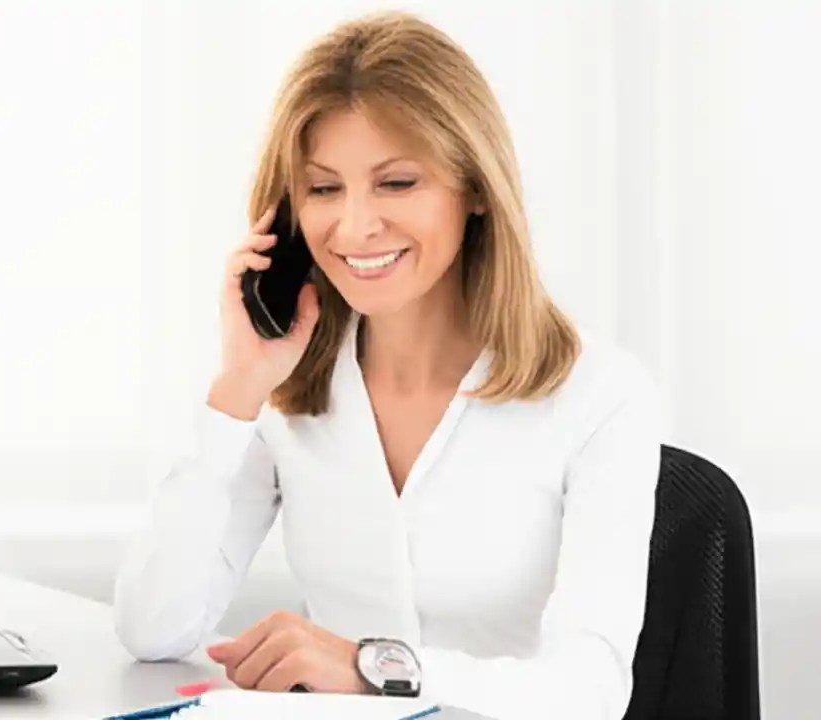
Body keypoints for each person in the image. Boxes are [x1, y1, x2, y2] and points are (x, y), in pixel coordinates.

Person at [113, 9, 660, 720]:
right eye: (323, 188)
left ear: (474, 192)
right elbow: (154, 630)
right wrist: (237, 391)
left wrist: (376, 669)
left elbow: (591, 689)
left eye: (397, 183)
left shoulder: (599, 396)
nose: (355, 226)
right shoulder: (289, 393)